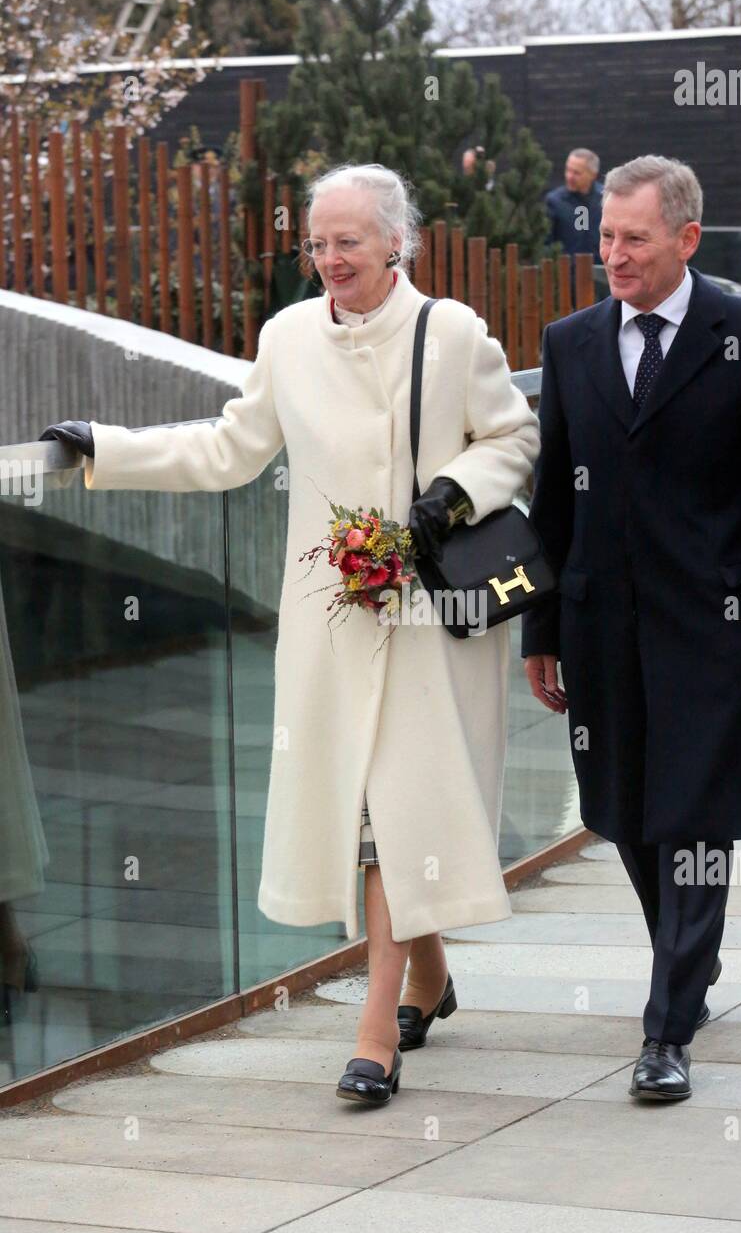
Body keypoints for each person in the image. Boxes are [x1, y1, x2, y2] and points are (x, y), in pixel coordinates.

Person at [40, 162, 540, 1107]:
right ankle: (428, 978)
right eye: (316, 243)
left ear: (397, 242)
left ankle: (374, 1028)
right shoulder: (288, 338)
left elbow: (514, 438)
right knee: (370, 812)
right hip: (331, 622)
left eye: (348, 241)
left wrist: (449, 495)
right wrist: (106, 447)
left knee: (396, 813)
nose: (329, 259)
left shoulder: (453, 333)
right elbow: (228, 447)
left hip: (432, 618)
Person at [521, 155, 741, 1102]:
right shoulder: (571, 343)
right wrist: (537, 629)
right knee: (628, 816)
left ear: (687, 240)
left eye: (633, 239)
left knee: (694, 818)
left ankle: (666, 1029)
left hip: (720, 630)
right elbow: (552, 504)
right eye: (605, 238)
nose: (611, 255)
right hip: (601, 625)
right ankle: (688, 969)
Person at [545, 147, 604, 264]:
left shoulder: (606, 199)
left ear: (593, 175)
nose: (569, 176)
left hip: (601, 273)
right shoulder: (554, 201)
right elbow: (547, 244)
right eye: (568, 170)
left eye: (576, 173)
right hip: (566, 275)